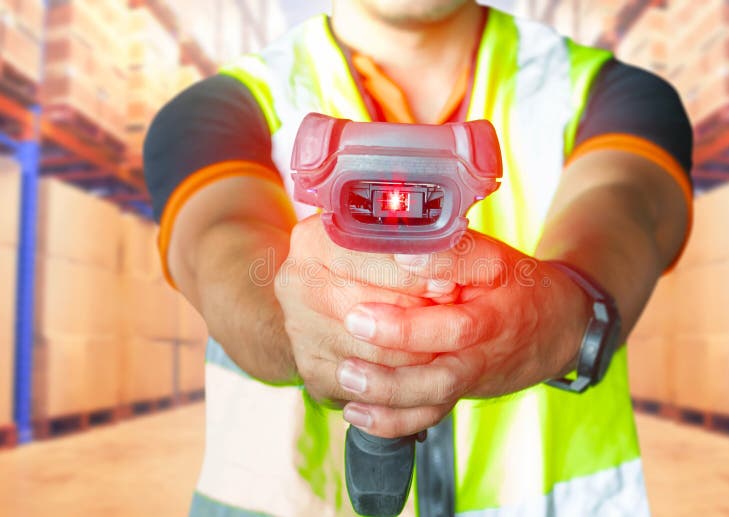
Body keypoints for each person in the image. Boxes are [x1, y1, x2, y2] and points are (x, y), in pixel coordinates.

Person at [144, 0, 693, 515]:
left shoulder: (609, 93)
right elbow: (217, 241)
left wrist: (564, 311)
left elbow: (631, 207)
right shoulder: (218, 108)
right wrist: (297, 319)